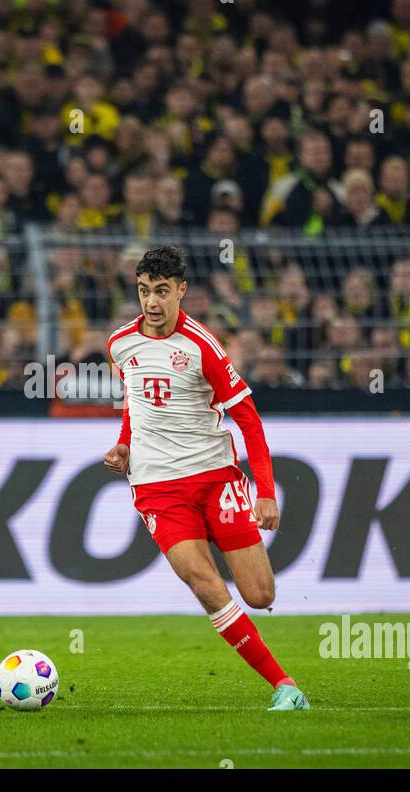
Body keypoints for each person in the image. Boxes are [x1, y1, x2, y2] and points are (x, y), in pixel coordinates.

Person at [103, 245, 308, 712]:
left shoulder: (203, 347)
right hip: (156, 488)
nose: (151, 303)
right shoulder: (120, 344)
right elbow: (135, 404)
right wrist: (124, 446)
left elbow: (250, 421)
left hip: (216, 478)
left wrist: (266, 492)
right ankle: (284, 686)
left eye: (161, 291)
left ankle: (278, 674)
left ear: (181, 291)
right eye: (143, 292)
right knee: (202, 580)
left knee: (260, 594)